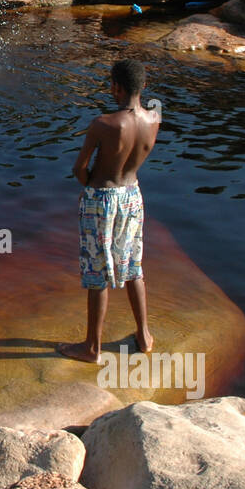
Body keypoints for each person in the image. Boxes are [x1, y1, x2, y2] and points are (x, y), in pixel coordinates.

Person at [59, 60, 160, 363]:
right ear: (143, 85)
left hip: (101, 198)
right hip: (133, 195)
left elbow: (79, 168)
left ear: (116, 86)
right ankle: (143, 335)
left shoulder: (103, 123)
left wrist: (91, 186)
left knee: (98, 273)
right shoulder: (154, 119)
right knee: (133, 265)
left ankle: (92, 347)